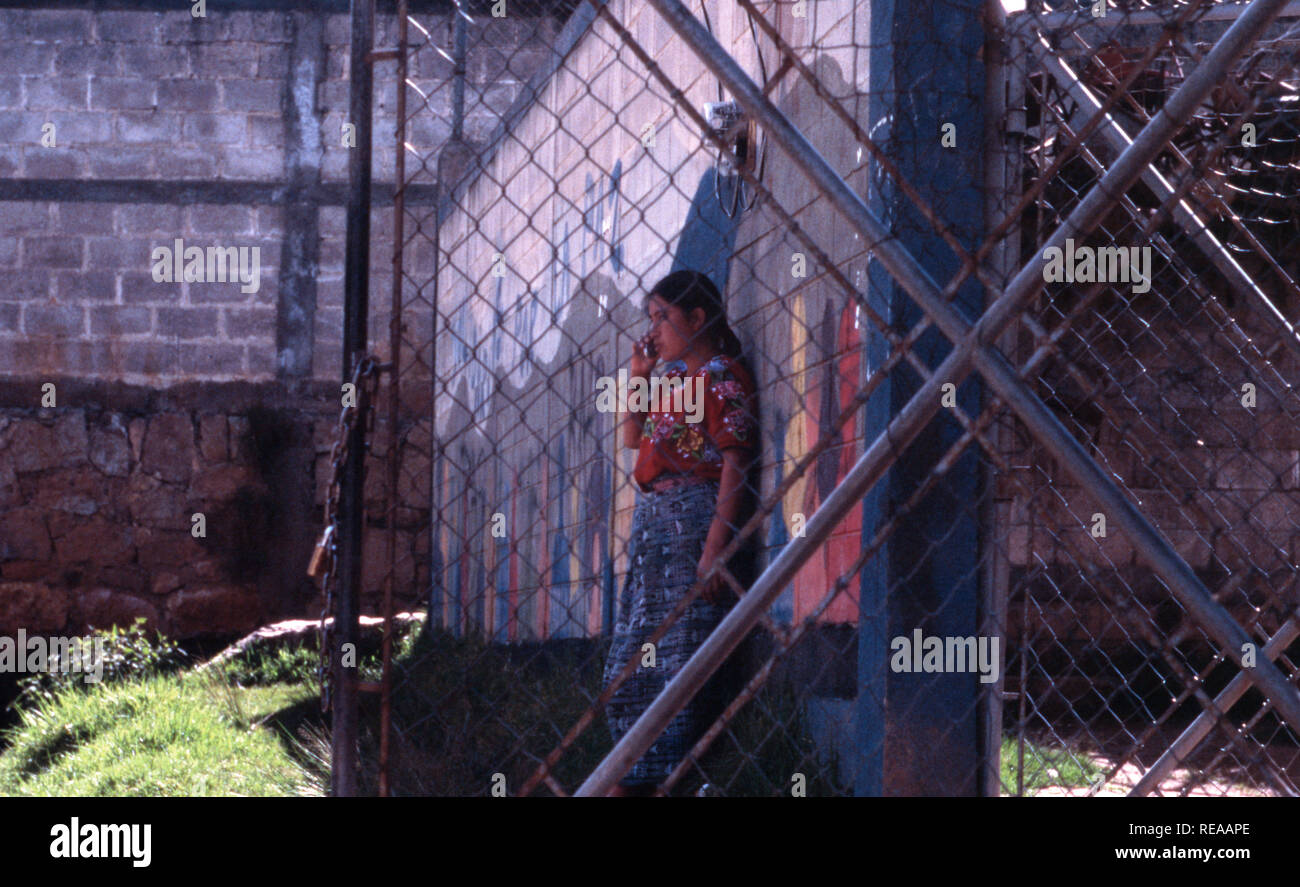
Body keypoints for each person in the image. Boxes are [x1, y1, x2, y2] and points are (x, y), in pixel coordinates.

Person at [603, 269, 758, 796]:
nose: (654, 331)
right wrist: (638, 373)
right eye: (650, 318)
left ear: (698, 318)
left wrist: (715, 546)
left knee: (676, 654)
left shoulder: (720, 375)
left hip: (691, 522)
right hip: (654, 528)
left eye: (662, 317)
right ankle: (629, 768)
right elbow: (630, 438)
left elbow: (735, 459)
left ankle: (659, 777)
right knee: (632, 655)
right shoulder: (671, 382)